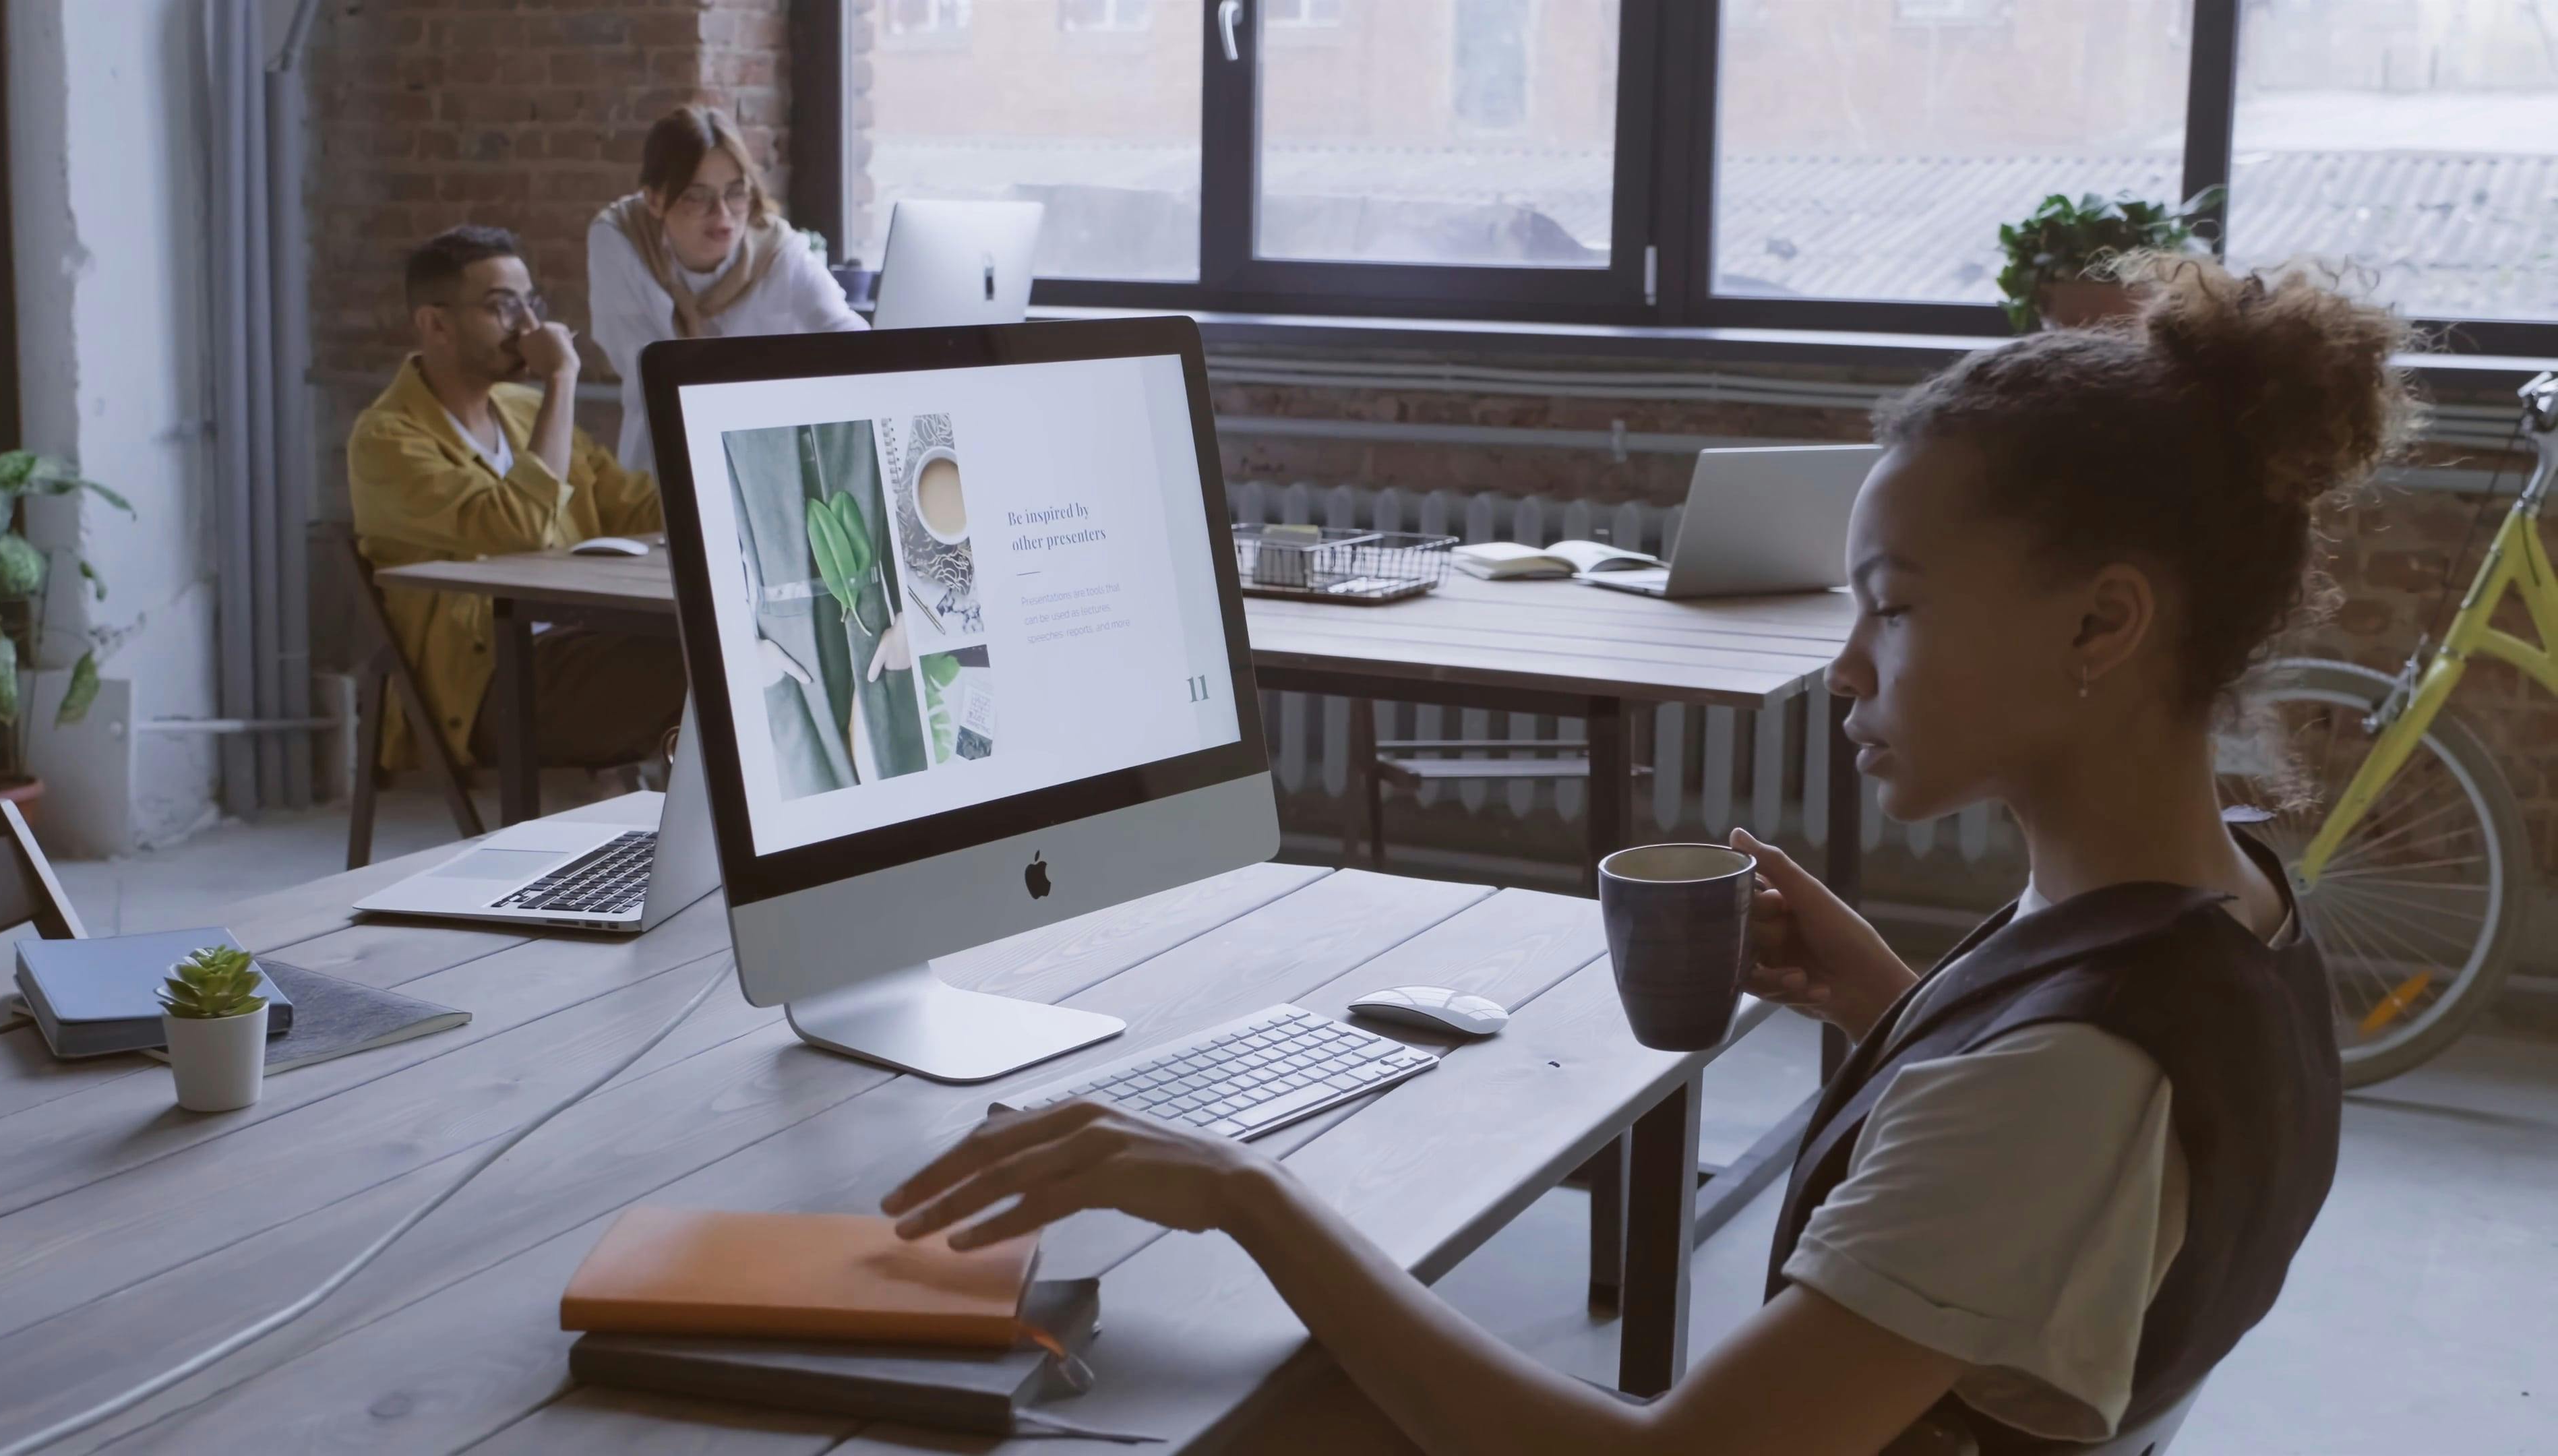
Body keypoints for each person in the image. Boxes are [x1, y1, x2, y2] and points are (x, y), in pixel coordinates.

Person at [884, 255, 2392, 1455]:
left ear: (2102, 625)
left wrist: (1243, 1192)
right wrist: (1899, 1010)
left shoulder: (2058, 1085)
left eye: (1898, 606)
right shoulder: (2235, 914)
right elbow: (2086, 1169)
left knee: (1166, 1401)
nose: (1848, 666)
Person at [348, 224, 682, 777]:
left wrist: (728, 497)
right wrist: (563, 379)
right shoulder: (387, 439)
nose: (528, 326)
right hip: (491, 686)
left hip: (582, 646)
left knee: (728, 636)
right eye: (503, 307)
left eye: (532, 304)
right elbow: (519, 528)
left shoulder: (523, 410)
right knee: (710, 665)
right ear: (435, 325)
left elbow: (630, 503)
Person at [588, 104, 866, 474]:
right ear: (655, 200)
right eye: (696, 196)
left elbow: (853, 344)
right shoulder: (622, 238)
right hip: (657, 459)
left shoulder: (777, 252)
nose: (722, 215)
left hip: (766, 458)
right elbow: (646, 367)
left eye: (736, 193)